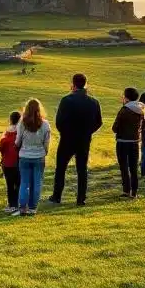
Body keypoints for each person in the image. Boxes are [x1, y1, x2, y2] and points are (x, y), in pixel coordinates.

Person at [52, 73, 103, 206]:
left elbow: (59, 122)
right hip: (84, 139)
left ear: (73, 84)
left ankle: (57, 196)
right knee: (82, 169)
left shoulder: (66, 100)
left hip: (67, 139)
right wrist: (88, 132)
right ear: (86, 84)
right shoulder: (94, 102)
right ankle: (81, 198)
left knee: (61, 168)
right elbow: (99, 122)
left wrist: (65, 132)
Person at [14, 98, 51, 217]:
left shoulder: (22, 123)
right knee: (37, 182)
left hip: (24, 155)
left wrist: (18, 146)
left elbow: (18, 141)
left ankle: (23, 207)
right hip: (39, 156)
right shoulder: (45, 124)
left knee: (24, 182)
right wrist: (44, 152)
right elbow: (46, 143)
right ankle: (33, 207)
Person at [111, 87, 145, 199]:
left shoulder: (124, 110)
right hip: (135, 141)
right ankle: (134, 192)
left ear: (126, 98)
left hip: (123, 142)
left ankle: (126, 190)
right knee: (134, 167)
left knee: (124, 167)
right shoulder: (142, 109)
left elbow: (115, 128)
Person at [0, 110, 22, 214]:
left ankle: (12, 205)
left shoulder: (6, 135)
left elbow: (1, 148)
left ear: (10, 120)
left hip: (7, 163)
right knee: (19, 184)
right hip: (19, 162)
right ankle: (19, 203)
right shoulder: (22, 133)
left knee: (10, 185)